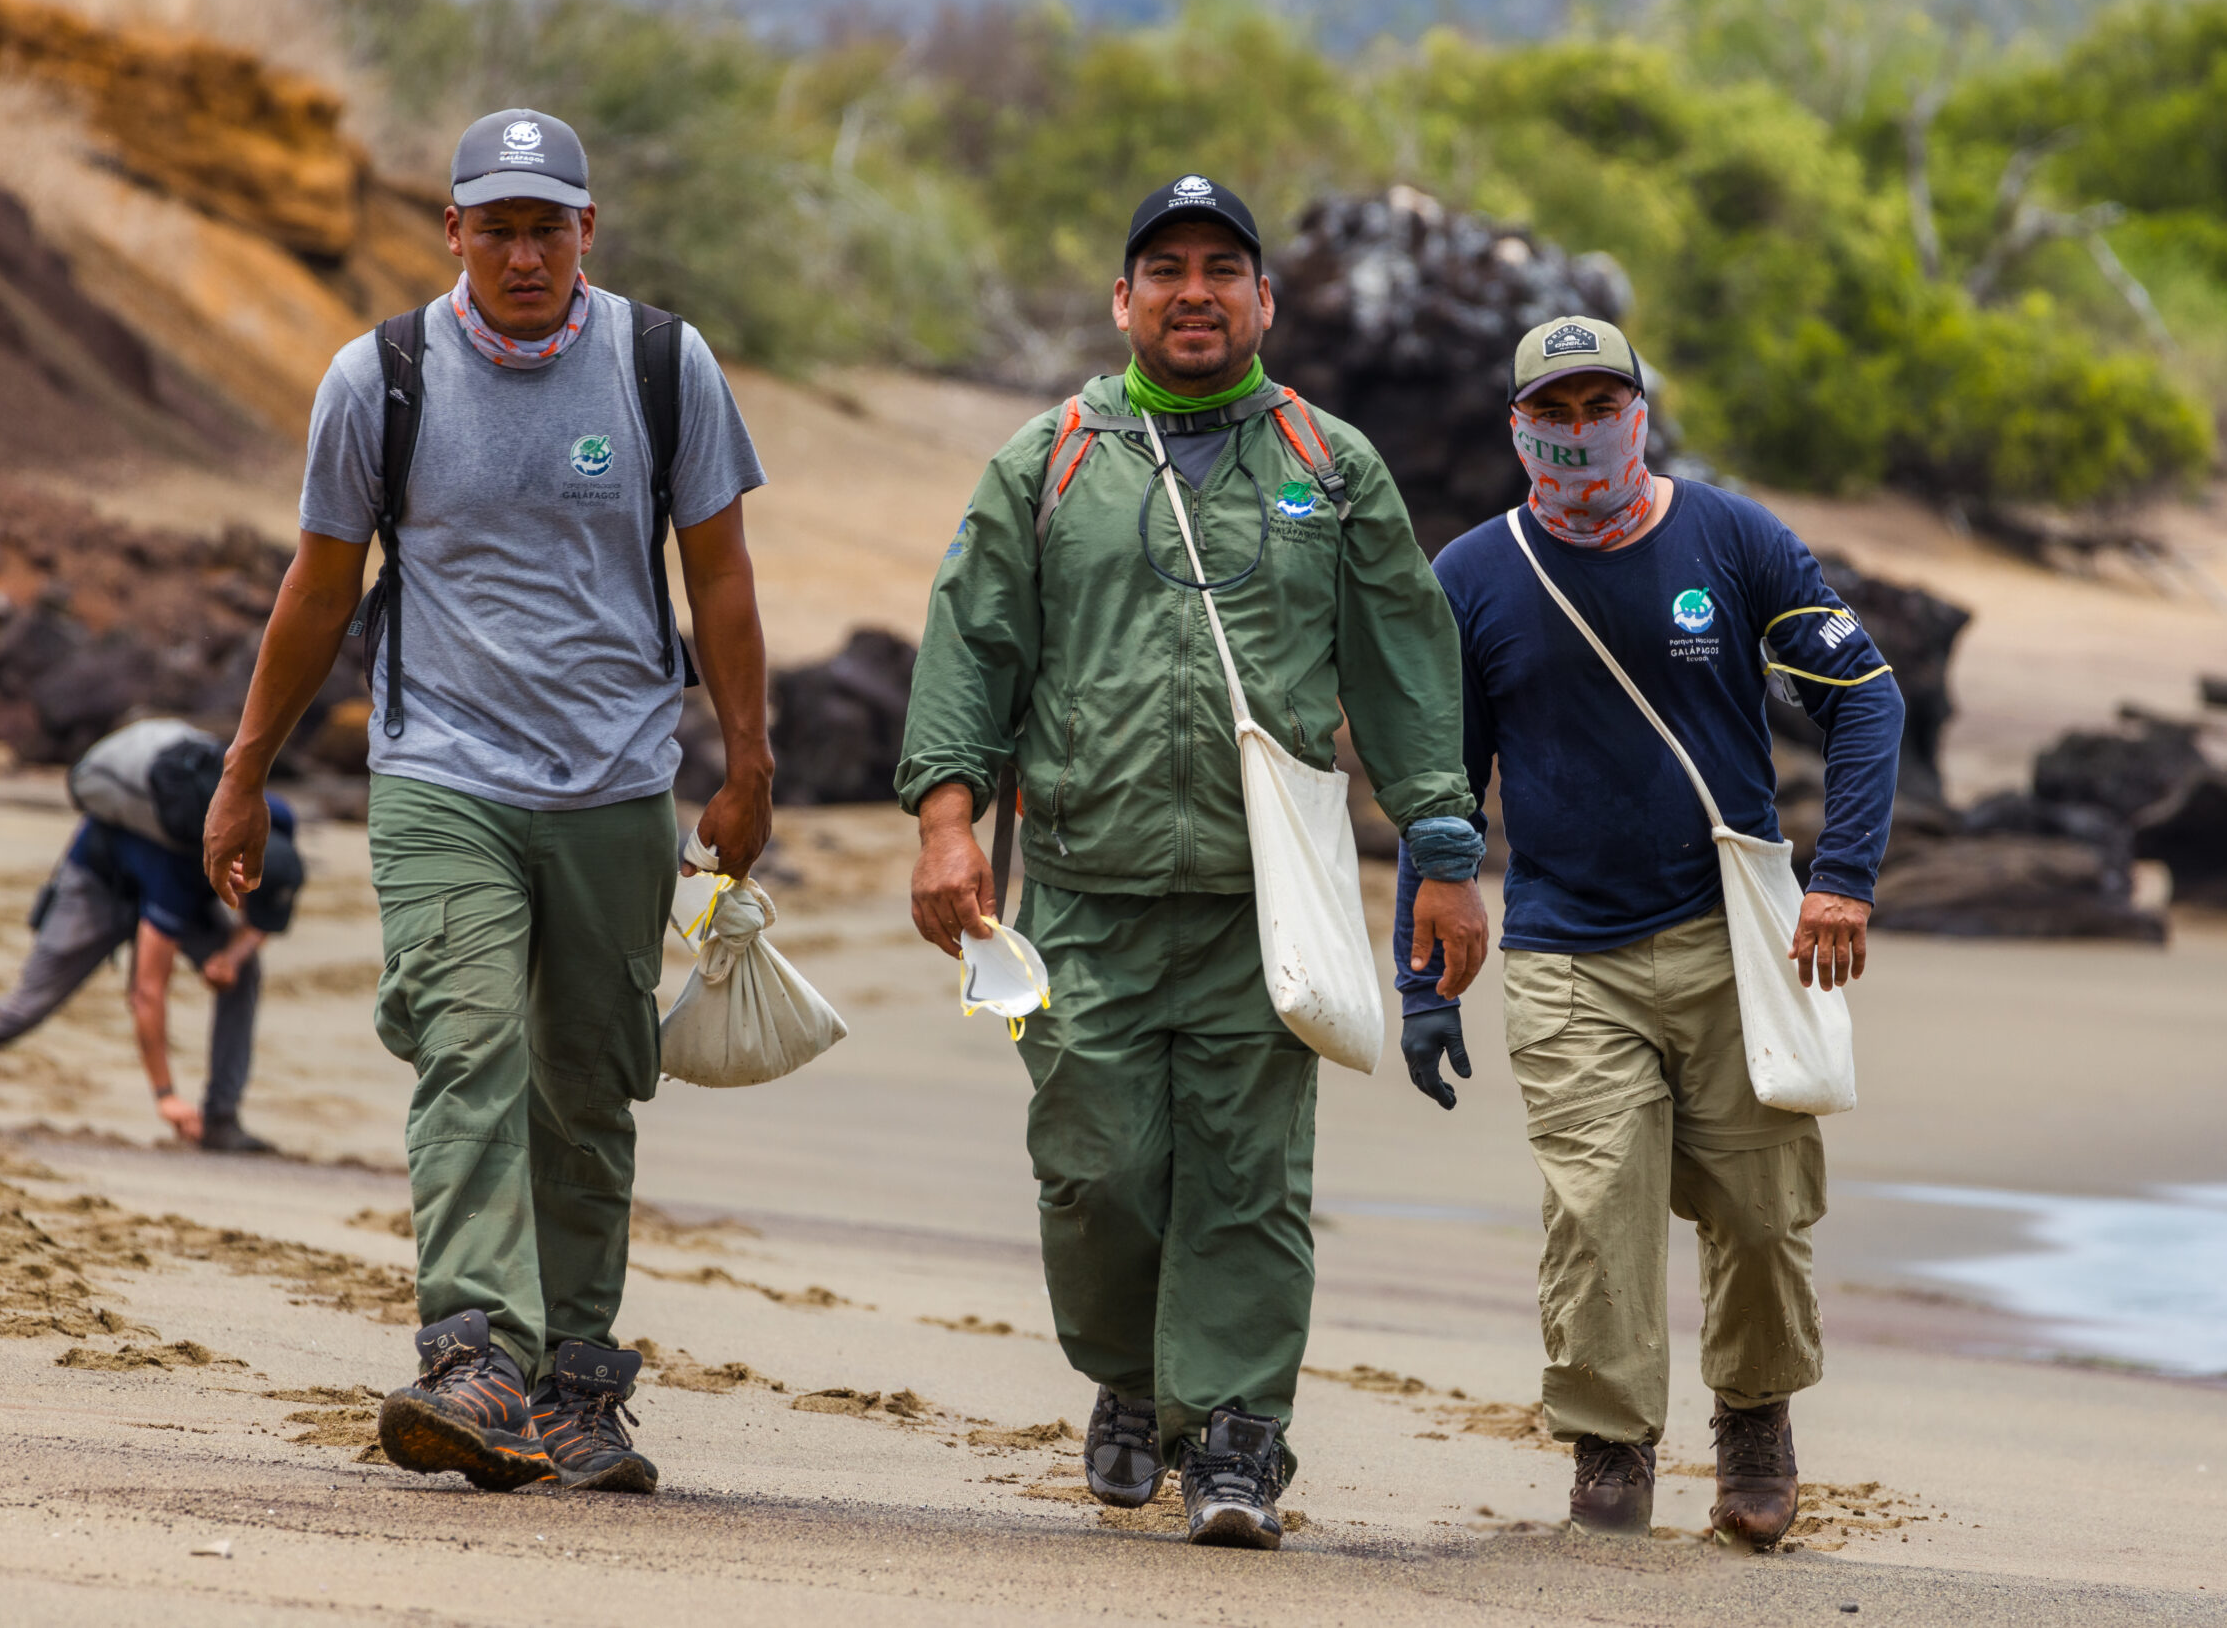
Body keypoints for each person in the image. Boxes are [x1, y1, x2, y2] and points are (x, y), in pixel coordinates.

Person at [897, 174, 1489, 1551]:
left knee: (1244, 1175)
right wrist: (946, 819)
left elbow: (1406, 663)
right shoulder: (1046, 458)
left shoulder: (1328, 464)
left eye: (1223, 268)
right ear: (1124, 301)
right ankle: (1126, 1379)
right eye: (1165, 269)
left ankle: (1234, 1435)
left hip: (1263, 901)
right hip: (1085, 894)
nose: (1195, 291)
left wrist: (1445, 848)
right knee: (1094, 1169)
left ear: (1263, 300)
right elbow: (974, 641)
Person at [201, 108, 773, 1498]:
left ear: (588, 232)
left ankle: (577, 1380)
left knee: (589, 1080)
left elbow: (723, 576)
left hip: (619, 780)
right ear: (451, 231)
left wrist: (748, 758)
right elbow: (320, 590)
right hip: (441, 769)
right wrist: (244, 766)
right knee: (467, 1044)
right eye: (497, 226)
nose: (524, 253)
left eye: (548, 225)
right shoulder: (381, 377)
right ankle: (473, 1352)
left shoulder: (660, 365)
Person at [1391, 315, 1905, 1546]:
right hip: (1565, 952)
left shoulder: (1733, 539)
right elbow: (1434, 792)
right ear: (1518, 427)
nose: (1580, 433)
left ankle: (1754, 1424)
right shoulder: (1471, 575)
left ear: (1640, 409)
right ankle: (1609, 1450)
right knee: (1596, 1209)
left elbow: (1866, 697)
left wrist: (1843, 875)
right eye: (1553, 412)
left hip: (1738, 945)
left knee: (1762, 1213)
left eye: (1599, 406)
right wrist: (1420, 986)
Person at [0, 798, 301, 1154]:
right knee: (26, 1005)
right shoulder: (176, 871)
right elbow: (146, 992)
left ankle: (221, 1121)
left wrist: (233, 958)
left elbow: (259, 924)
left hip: (194, 880)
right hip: (98, 883)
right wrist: (166, 1096)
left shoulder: (275, 820)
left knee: (245, 975)